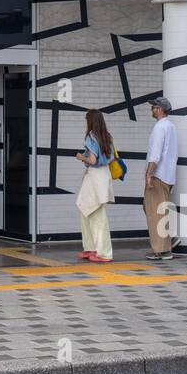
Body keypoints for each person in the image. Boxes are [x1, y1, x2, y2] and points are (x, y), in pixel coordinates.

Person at [74, 109, 116, 262]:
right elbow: (110, 158)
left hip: (94, 175)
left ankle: (103, 252)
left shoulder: (91, 137)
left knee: (95, 213)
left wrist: (80, 157)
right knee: (87, 209)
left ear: (90, 121)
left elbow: (92, 160)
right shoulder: (107, 137)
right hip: (104, 175)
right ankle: (91, 248)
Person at [144, 96, 179, 261]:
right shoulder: (171, 126)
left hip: (158, 175)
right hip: (168, 175)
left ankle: (161, 249)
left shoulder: (159, 128)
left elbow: (155, 154)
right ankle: (167, 242)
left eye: (154, 107)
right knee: (160, 210)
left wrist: (149, 174)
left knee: (154, 212)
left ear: (160, 109)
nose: (152, 109)